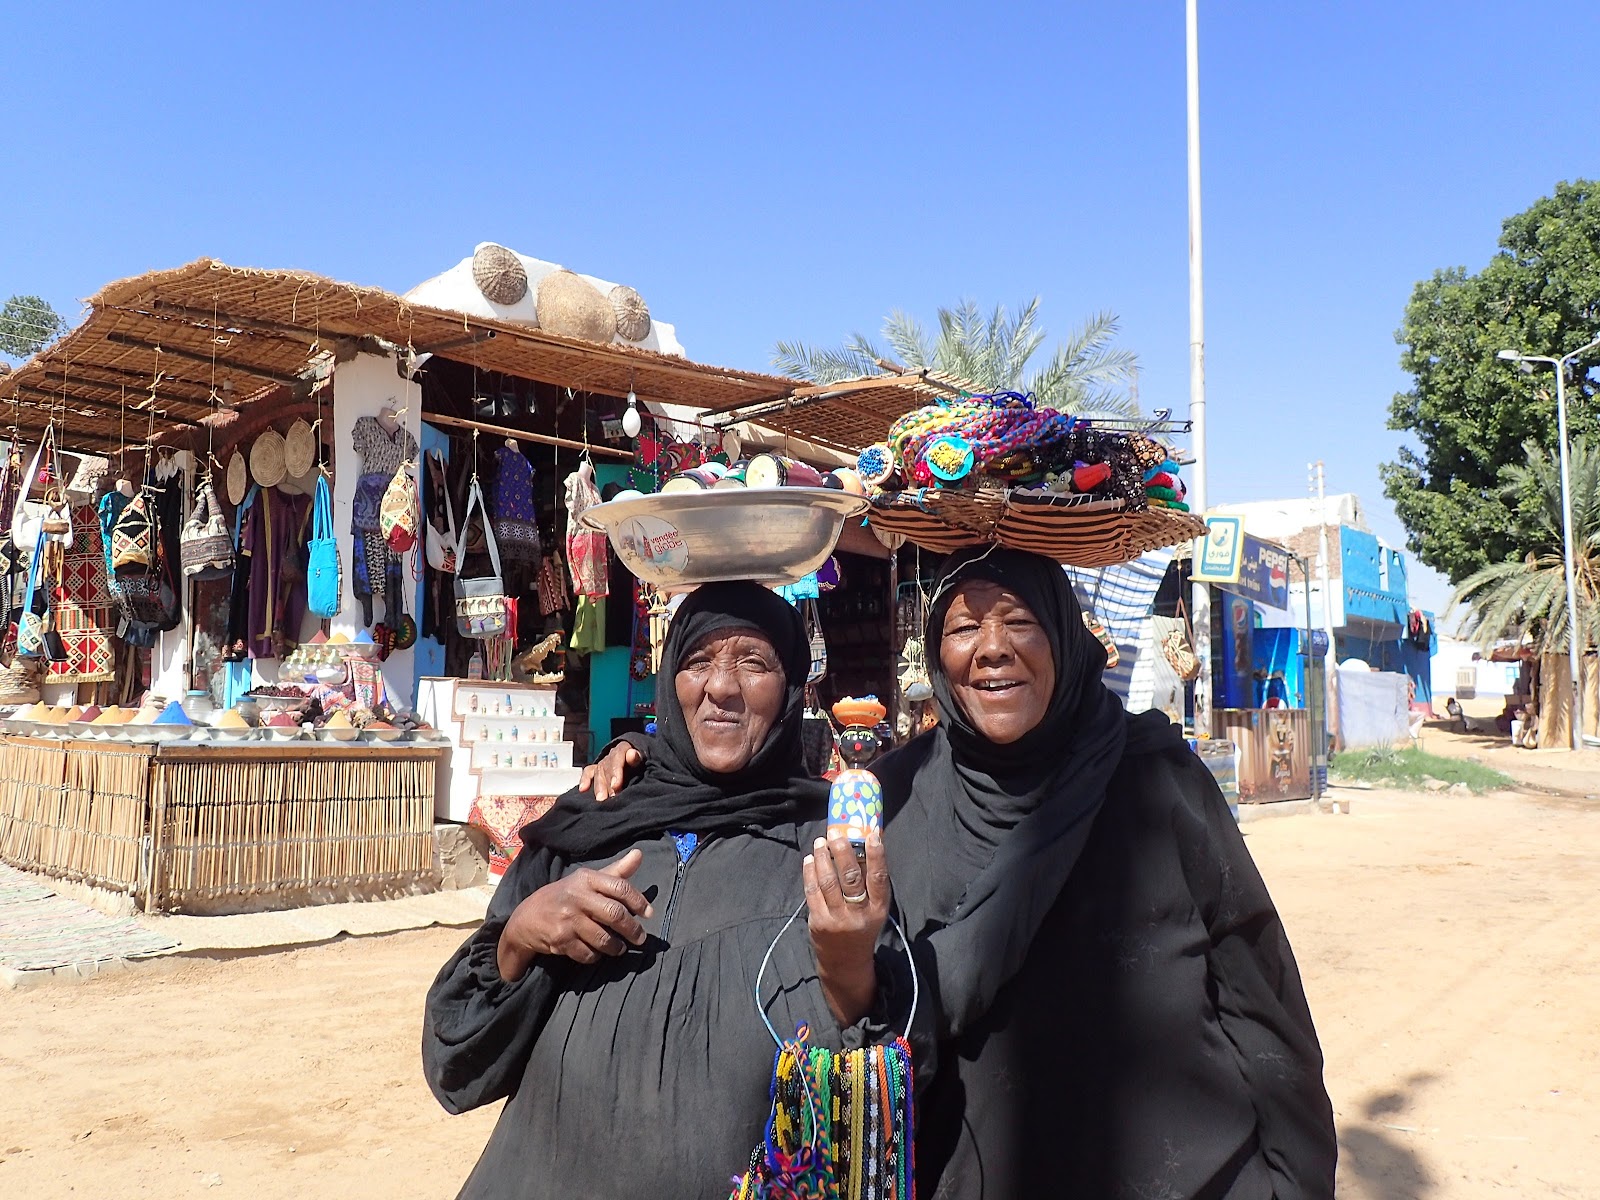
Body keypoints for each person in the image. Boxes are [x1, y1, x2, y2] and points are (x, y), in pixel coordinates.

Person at [590, 547, 1337, 1198]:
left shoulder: (1155, 779)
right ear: (936, 657)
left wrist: (1297, 1180)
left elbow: (1260, 998)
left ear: (1066, 639)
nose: (992, 649)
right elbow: (875, 1036)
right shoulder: (895, 799)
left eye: (1019, 621)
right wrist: (643, 766)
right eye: (962, 628)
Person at [423, 582, 893, 1199]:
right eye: (698, 661)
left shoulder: (828, 852)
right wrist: (519, 937)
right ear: (671, 680)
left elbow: (875, 1096)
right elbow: (454, 1064)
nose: (720, 687)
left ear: (791, 693)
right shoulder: (588, 822)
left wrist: (850, 965)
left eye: (753, 663)